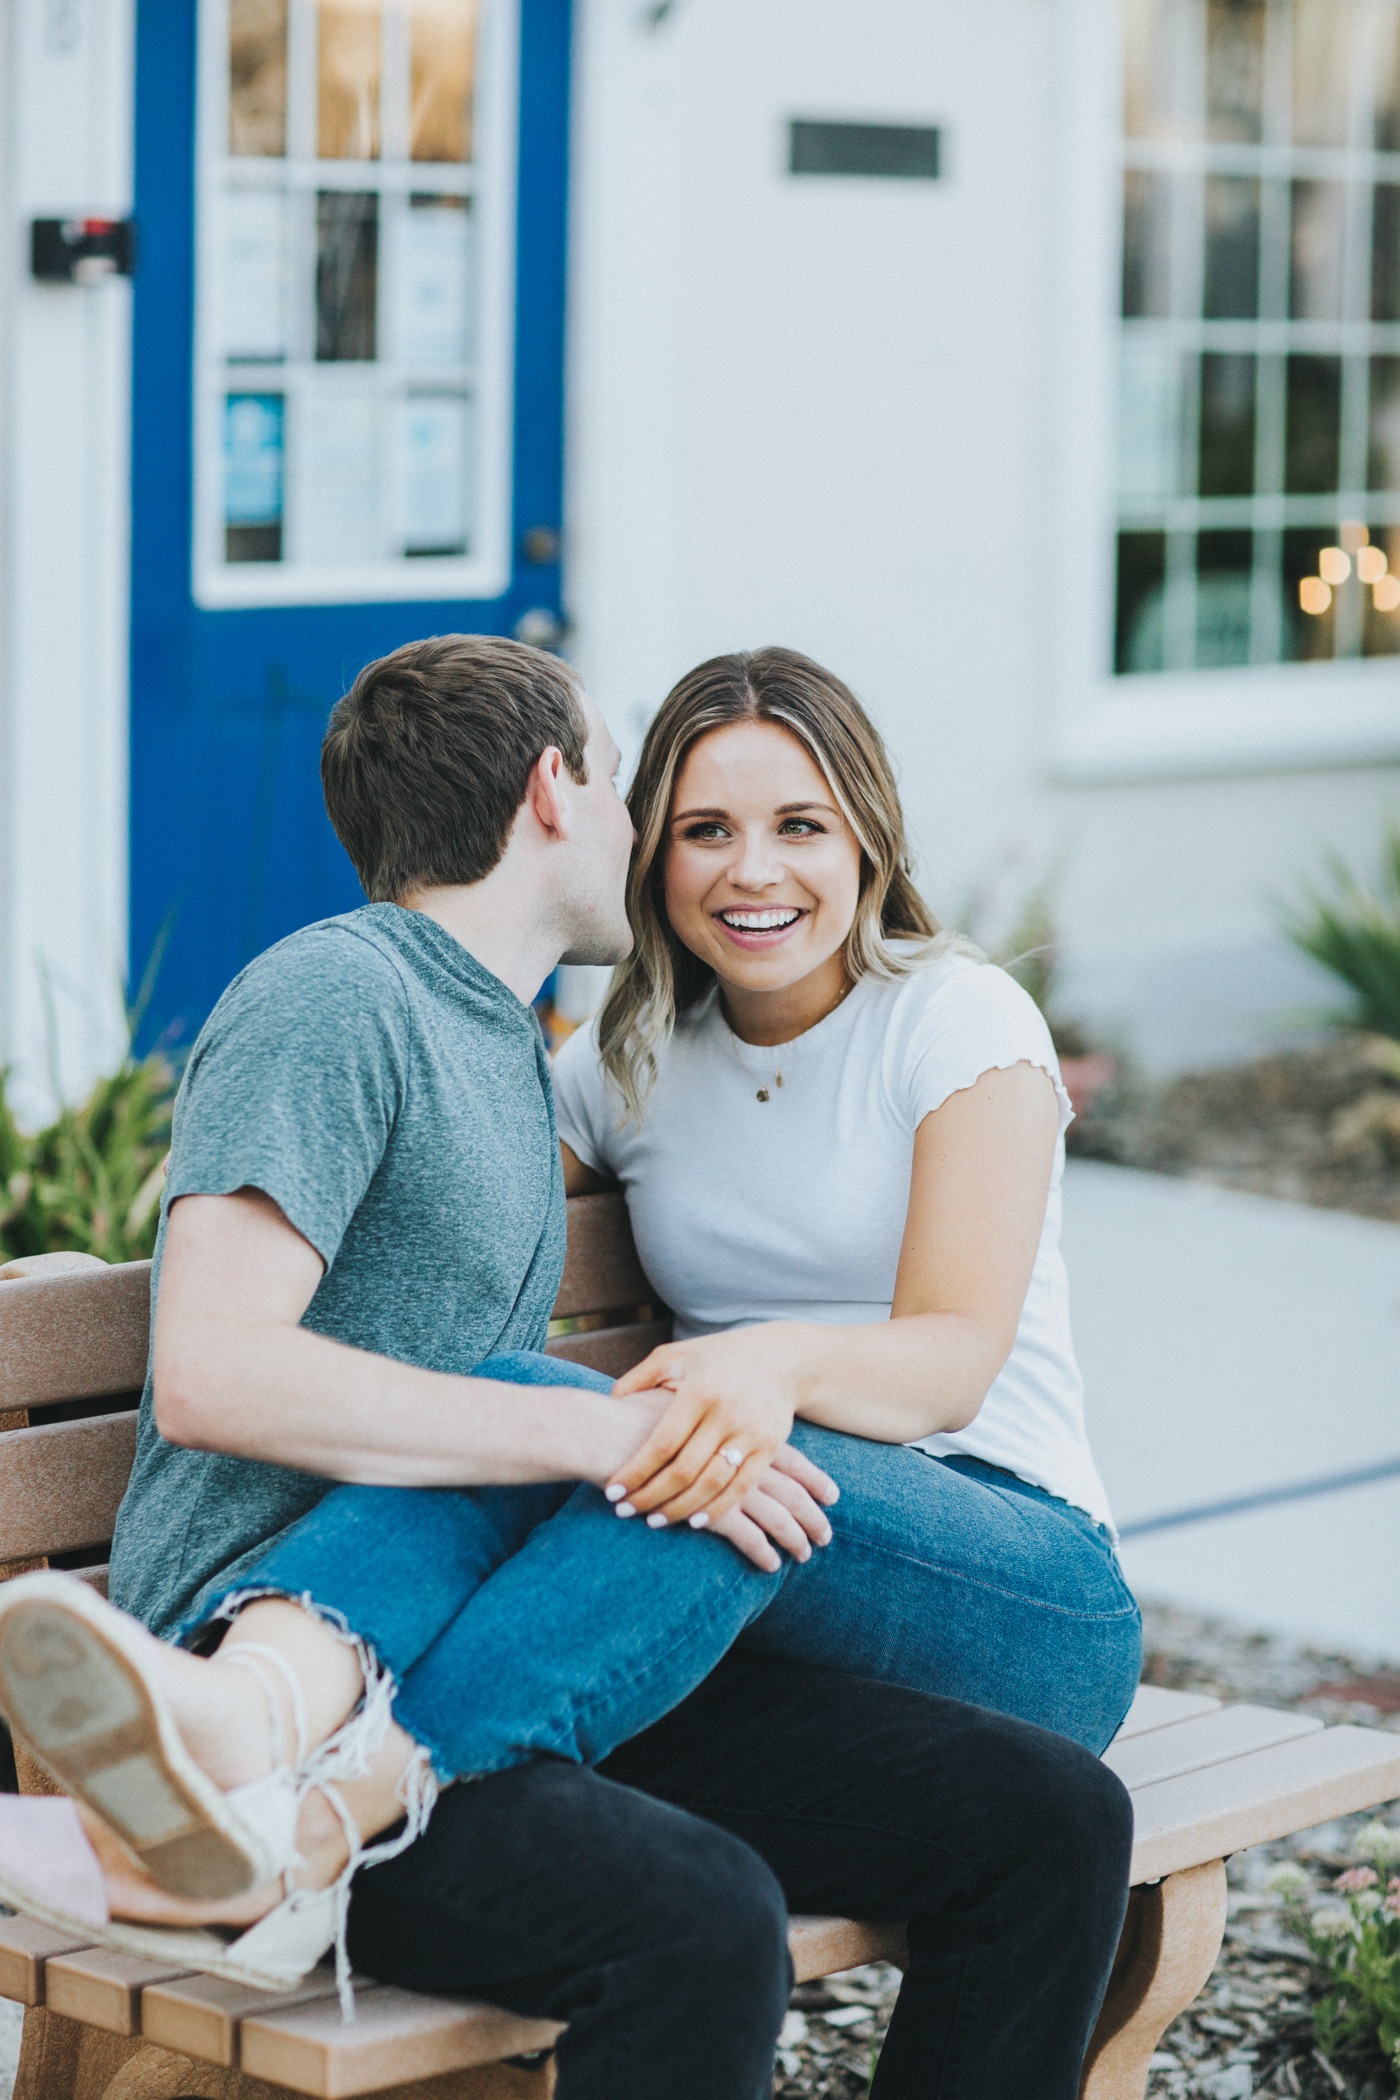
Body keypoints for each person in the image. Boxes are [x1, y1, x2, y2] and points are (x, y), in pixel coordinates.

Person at [0, 636, 1134, 2100]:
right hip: (753, 1562)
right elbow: (408, 1245)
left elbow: (949, 1364)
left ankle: (336, 1800)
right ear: (609, 821)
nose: (752, 869)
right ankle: (290, 1748)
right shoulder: (608, 1060)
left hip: (996, 1560)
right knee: (1050, 1820)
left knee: (625, 1418)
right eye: (699, 828)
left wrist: (747, 1371)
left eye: (799, 825)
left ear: (867, 834)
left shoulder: (958, 1020)